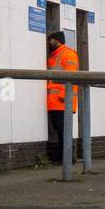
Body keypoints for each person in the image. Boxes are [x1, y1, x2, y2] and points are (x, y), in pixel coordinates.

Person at [46, 30, 79, 164]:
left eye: (50, 40)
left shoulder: (68, 54)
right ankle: (64, 157)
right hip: (55, 102)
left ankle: (67, 158)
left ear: (57, 41)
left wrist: (62, 97)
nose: (48, 43)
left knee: (63, 130)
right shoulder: (53, 56)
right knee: (61, 130)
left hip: (63, 101)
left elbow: (71, 78)